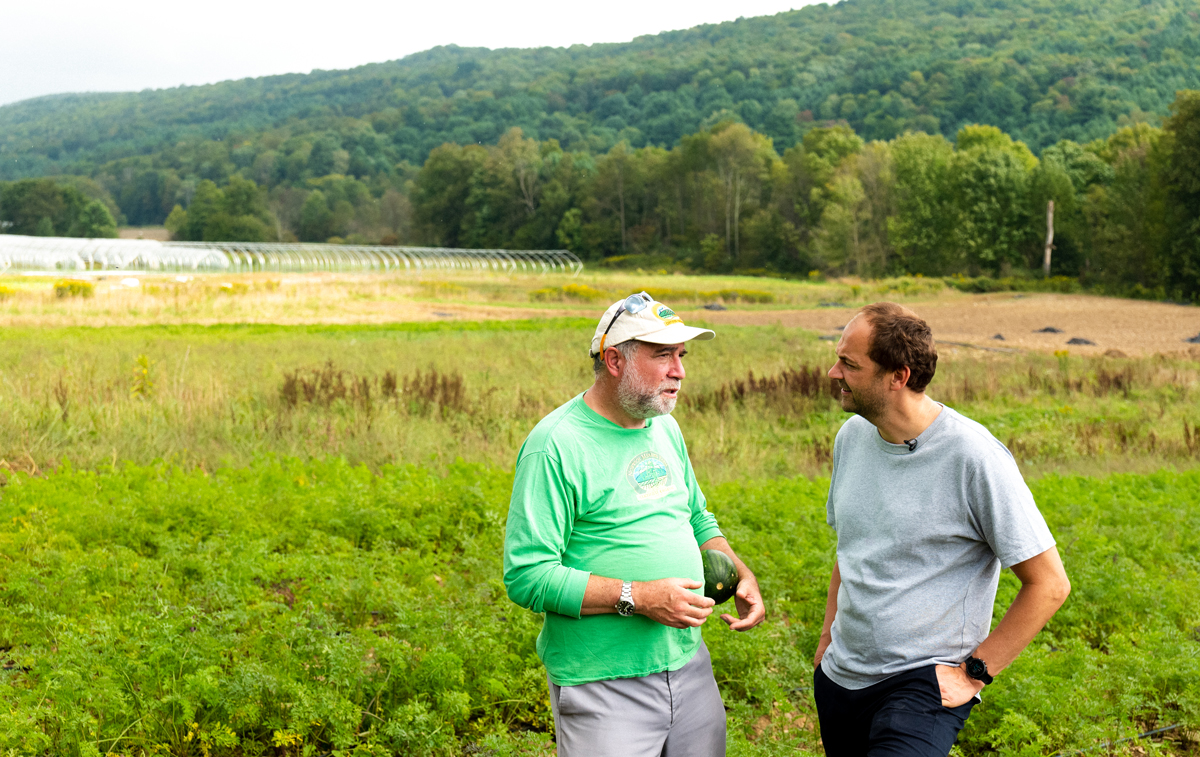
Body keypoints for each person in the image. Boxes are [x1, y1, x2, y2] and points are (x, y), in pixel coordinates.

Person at [503, 292, 766, 757]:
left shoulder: (663, 426)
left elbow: (696, 516)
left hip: (688, 664)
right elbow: (529, 577)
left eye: (681, 355)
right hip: (603, 683)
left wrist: (737, 569)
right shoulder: (556, 446)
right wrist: (639, 597)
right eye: (662, 355)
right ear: (614, 361)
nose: (679, 371)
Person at [813, 302, 1071, 756]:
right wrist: (826, 639)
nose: (833, 372)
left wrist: (975, 672)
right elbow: (852, 548)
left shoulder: (973, 457)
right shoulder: (851, 437)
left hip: (921, 684)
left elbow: (1049, 584)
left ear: (899, 375)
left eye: (849, 364)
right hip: (841, 678)